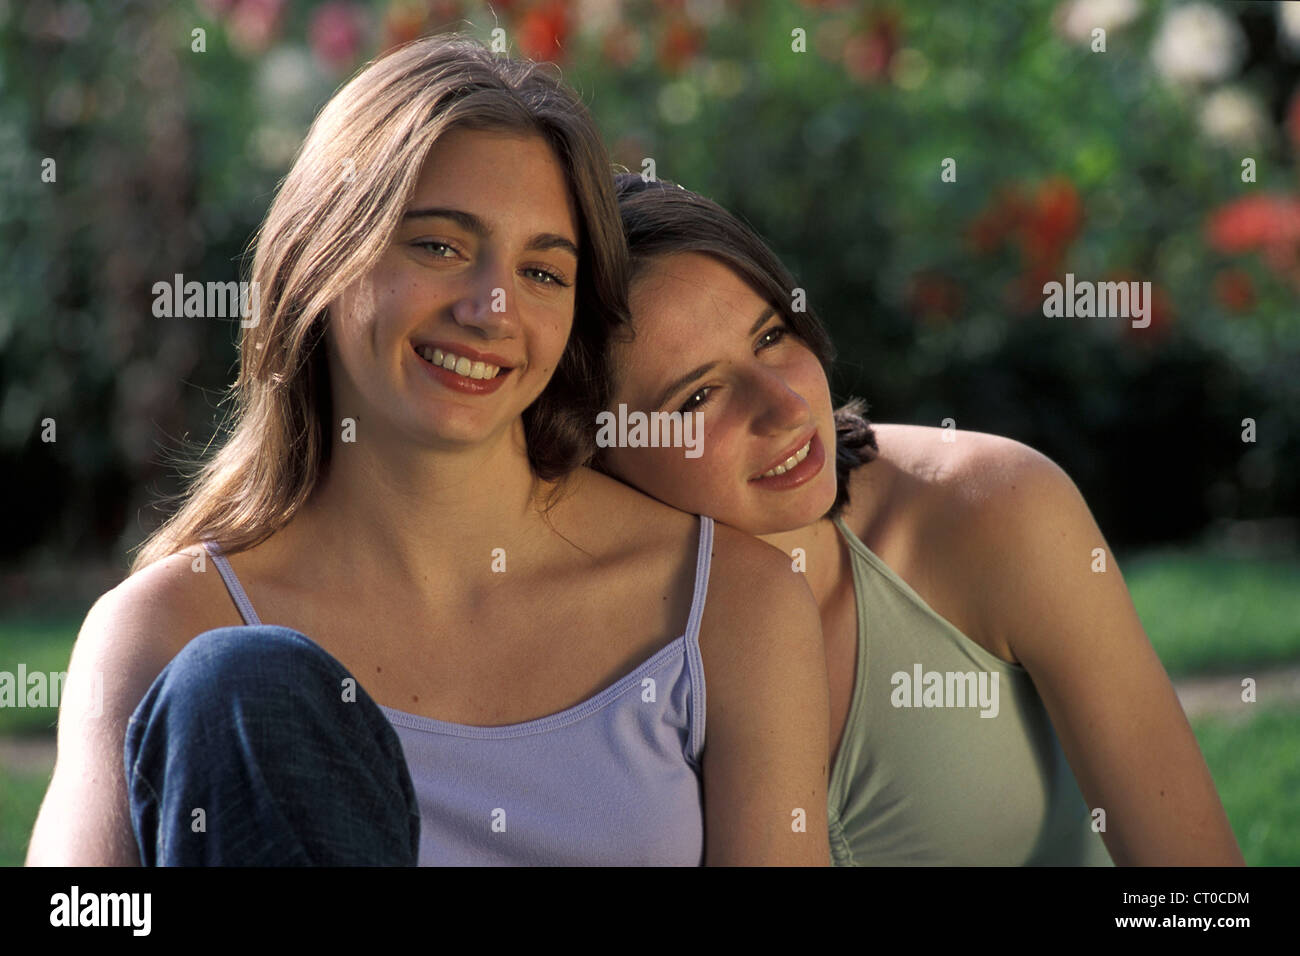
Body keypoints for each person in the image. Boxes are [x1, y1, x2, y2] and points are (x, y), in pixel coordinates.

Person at [25, 37, 830, 867]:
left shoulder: (724, 605)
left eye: (543, 274)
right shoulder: (167, 627)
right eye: (439, 247)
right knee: (238, 685)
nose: (492, 309)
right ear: (320, 257)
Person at [595, 172, 1246, 866]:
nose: (785, 407)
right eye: (696, 398)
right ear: (589, 449)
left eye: (772, 336)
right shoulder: (569, 636)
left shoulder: (994, 508)